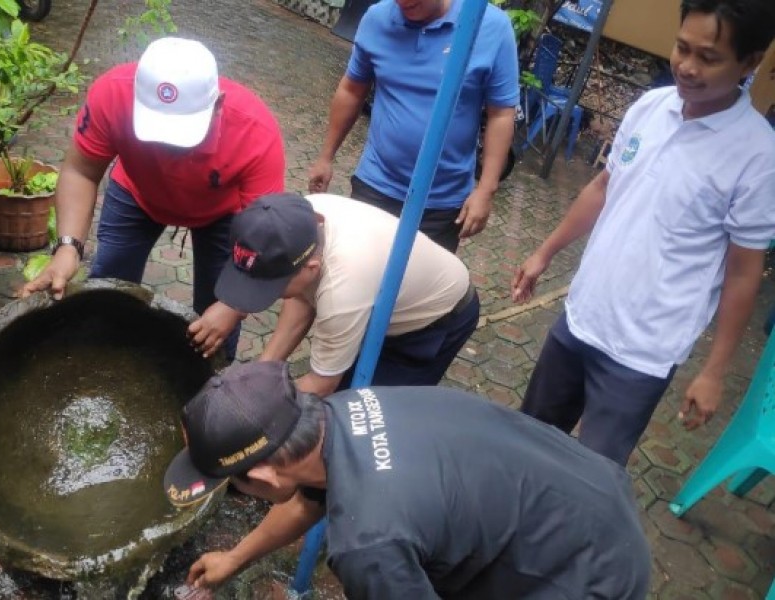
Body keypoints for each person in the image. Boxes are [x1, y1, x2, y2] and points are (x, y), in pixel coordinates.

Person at [511, 0, 775, 466]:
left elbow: (742, 273)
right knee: (526, 439)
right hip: (581, 316)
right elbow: (604, 185)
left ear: (750, 63)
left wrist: (714, 372)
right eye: (682, 48)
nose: (688, 68)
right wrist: (544, 252)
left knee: (589, 477)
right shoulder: (653, 106)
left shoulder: (758, 155)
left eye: (709, 58)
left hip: (642, 352)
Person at [163, 360, 651, 599]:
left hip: (588, 572)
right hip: (590, 487)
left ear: (265, 474)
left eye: (233, 482)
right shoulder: (342, 412)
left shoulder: (367, 543)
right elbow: (309, 499)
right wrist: (234, 557)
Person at [22, 37, 286, 362]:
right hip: (137, 192)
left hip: (224, 214)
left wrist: (234, 305)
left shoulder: (255, 133)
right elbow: (80, 171)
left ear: (217, 106)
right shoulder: (112, 94)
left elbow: (265, 235)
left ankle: (212, 396)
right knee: (107, 284)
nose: (167, 152)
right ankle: (95, 362)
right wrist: (67, 246)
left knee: (216, 317)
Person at [188, 192, 478, 397]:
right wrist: (263, 370)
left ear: (311, 268)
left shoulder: (343, 291)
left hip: (435, 320)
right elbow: (303, 295)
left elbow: (321, 384)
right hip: (376, 295)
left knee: (366, 415)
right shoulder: (296, 218)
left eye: (270, 287)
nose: (269, 296)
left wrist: (246, 404)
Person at [307, 0, 520, 253]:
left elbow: (501, 114)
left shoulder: (490, 26)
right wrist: (326, 157)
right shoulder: (378, 19)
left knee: (418, 287)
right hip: (376, 185)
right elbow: (352, 90)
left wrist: (486, 189)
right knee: (358, 272)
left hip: (442, 202)